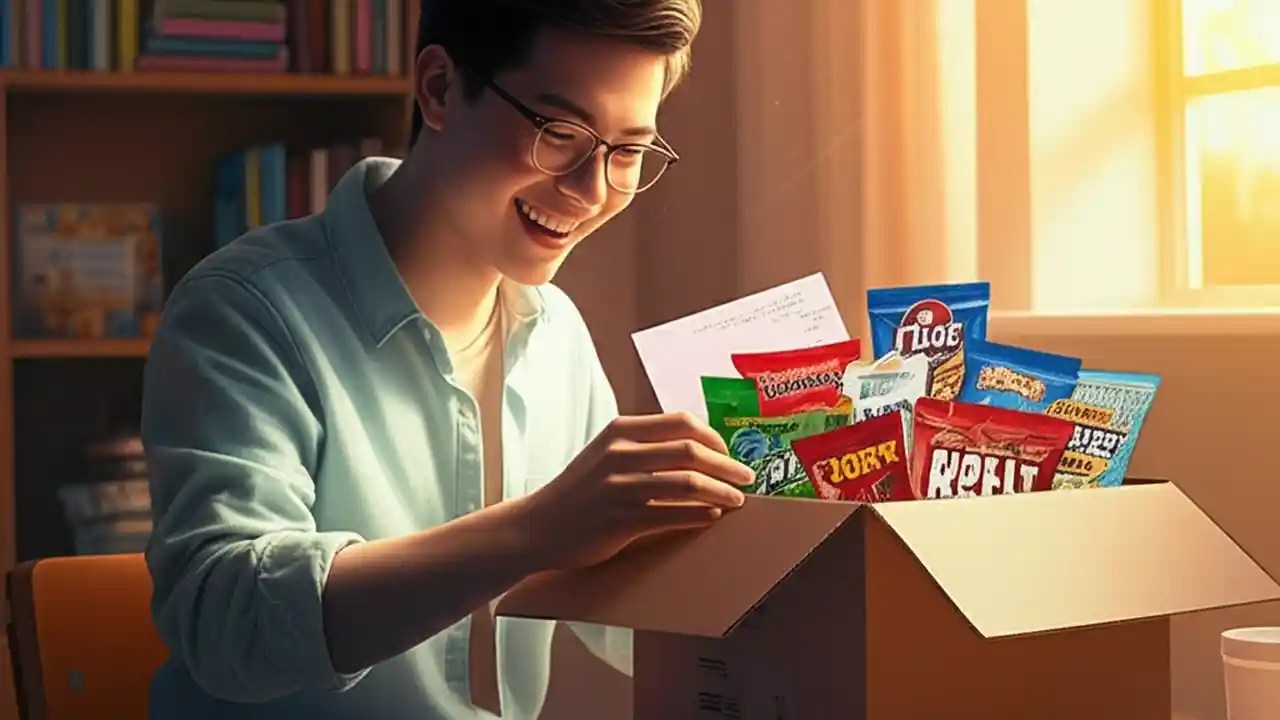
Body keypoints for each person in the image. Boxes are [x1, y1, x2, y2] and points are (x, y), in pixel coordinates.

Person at [140, 1, 752, 718]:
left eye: (626, 152)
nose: (591, 192)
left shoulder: (555, 331)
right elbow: (226, 625)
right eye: (560, 133)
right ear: (437, 87)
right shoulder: (246, 310)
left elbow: (614, 619)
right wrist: (535, 532)